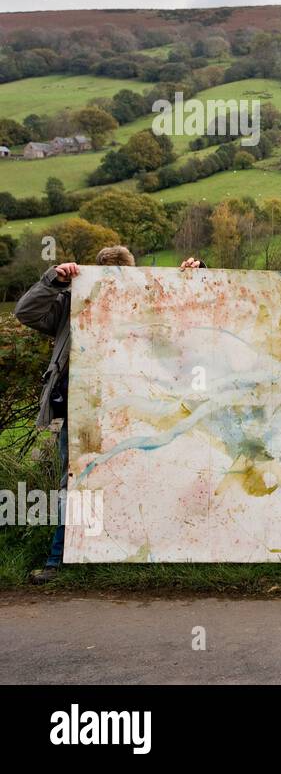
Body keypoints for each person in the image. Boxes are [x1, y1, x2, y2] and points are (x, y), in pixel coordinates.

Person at [15, 247, 203, 584]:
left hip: (139, 406)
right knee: (77, 480)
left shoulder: (149, 300)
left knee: (143, 474)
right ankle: (64, 559)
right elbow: (26, 312)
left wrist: (199, 273)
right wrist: (54, 279)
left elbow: (200, 315)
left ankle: (137, 551)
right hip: (83, 408)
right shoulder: (71, 305)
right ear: (88, 275)